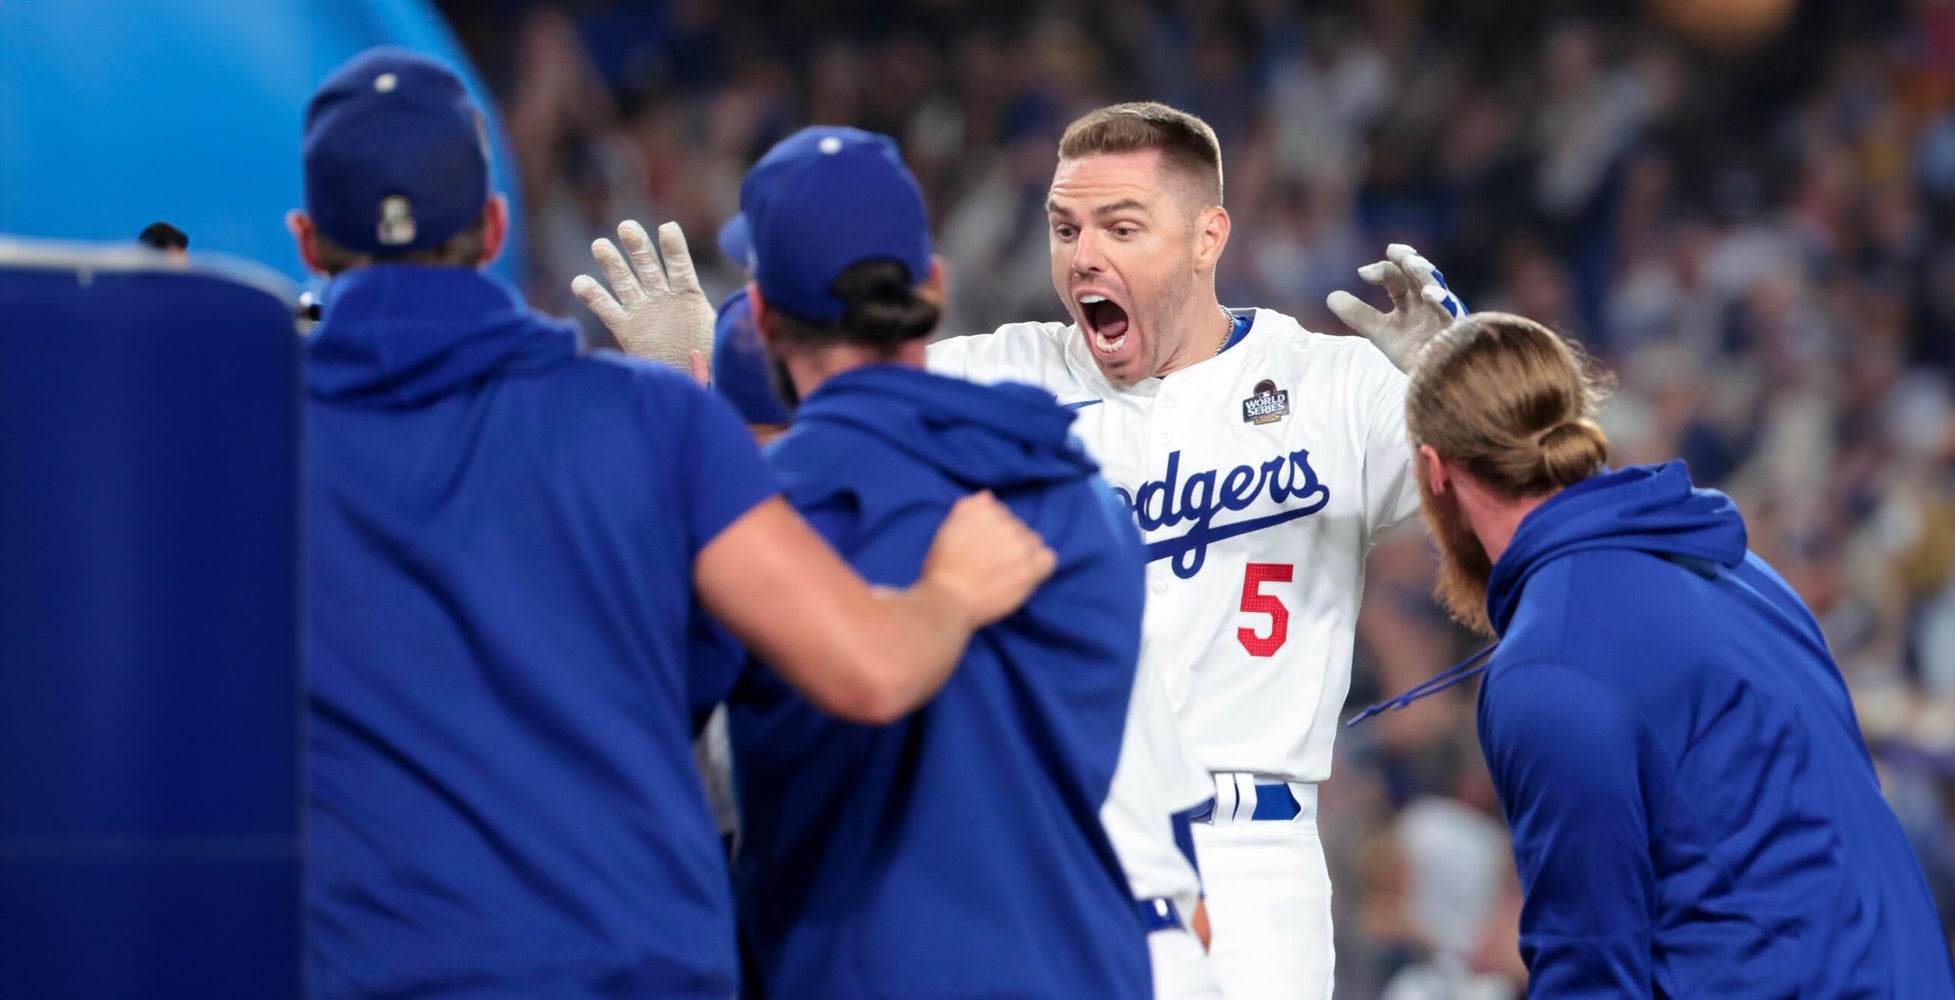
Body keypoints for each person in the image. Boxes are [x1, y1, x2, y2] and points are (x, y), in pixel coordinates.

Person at [581, 101, 1462, 1000]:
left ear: (1208, 238)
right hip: (1046, 828)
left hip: (1254, 854)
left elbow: (1523, 495)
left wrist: (1466, 384)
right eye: (1065, 227)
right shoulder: (994, 376)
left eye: (1121, 226)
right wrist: (711, 372)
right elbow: (820, 417)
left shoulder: (1334, 382)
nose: (1084, 255)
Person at [295, 49, 1054, 1000]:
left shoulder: (235, 449)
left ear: (307, 240)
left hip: (373, 966)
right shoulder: (653, 423)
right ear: (493, 227)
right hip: (629, 965)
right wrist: (948, 590)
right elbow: (868, 671)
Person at [1370, 310, 1955, 996]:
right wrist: (1477, 370)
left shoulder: (1547, 669)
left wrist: (1461, 386)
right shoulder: (1740, 570)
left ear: (1434, 473)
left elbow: (1591, 973)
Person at [693, 124, 1150, 1000]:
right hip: (1084, 970)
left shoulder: (747, 522)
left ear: (758, 316)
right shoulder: (1080, 499)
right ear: (932, 290)